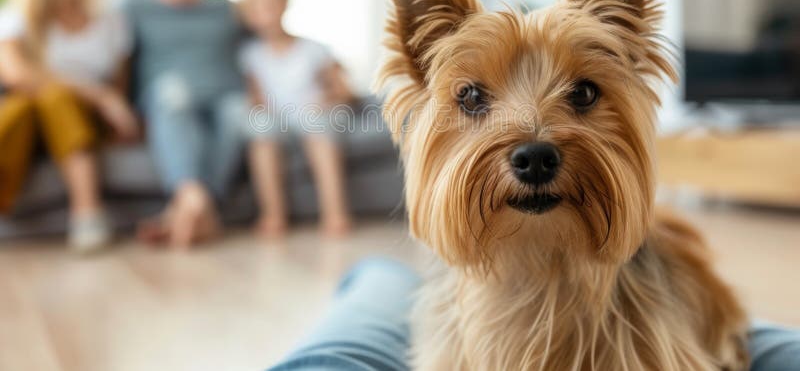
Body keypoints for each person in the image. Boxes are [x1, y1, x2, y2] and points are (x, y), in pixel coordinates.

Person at [268, 258, 800, 371]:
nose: (535, 143)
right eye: (474, 99)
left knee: (379, 281)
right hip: (457, 279)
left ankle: (379, 272)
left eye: (583, 95)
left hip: (634, 271)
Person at [0, 0, 137, 252]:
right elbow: (16, 75)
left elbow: (120, 89)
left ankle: (87, 211)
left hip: (90, 124)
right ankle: (87, 215)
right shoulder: (17, 16)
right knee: (34, 102)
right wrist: (97, 93)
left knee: (53, 98)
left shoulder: (111, 22)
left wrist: (106, 100)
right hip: (30, 124)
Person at [124, 0, 246, 248]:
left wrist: (330, 65)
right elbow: (115, 59)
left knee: (240, 111)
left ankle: (184, 212)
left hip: (223, 96)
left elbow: (274, 32)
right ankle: (195, 201)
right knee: (173, 93)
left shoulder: (224, 9)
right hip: (169, 98)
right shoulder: (136, 6)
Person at [240, 0, 353, 238]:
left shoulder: (312, 49)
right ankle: (273, 215)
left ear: (284, 4)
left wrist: (327, 101)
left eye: (271, 1)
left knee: (318, 132)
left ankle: (335, 214)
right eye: (257, 5)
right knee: (262, 140)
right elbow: (255, 99)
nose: (266, 9)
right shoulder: (251, 56)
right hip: (277, 121)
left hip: (314, 117)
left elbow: (344, 90)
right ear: (249, 15)